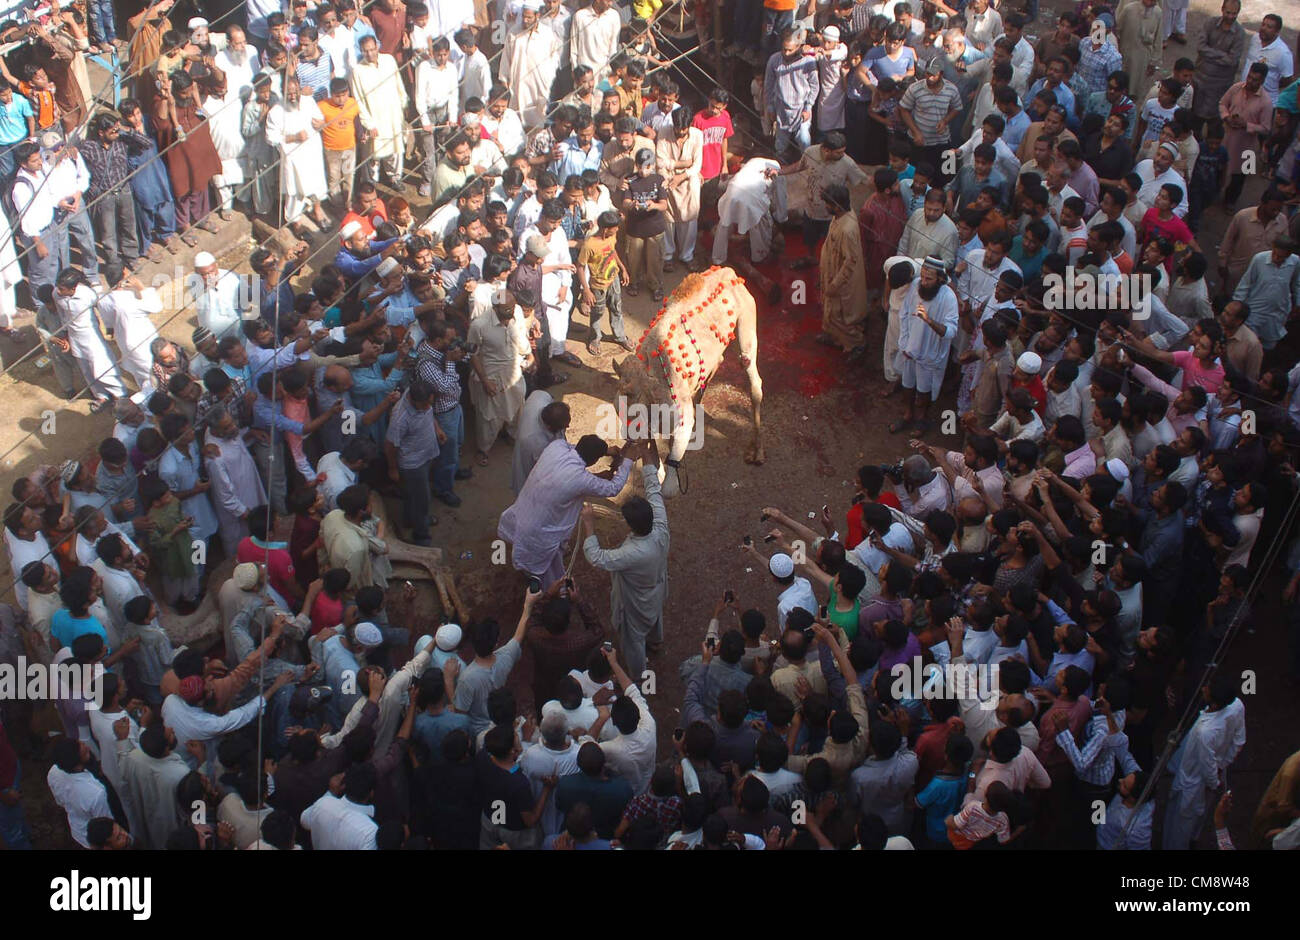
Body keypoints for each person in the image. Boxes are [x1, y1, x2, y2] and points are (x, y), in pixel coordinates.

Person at [580, 441, 669, 680]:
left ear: (631, 526)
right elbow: (654, 490)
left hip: (636, 601)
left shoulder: (632, 553)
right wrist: (647, 457)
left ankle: (638, 675)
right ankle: (656, 641)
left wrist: (589, 525)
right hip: (656, 587)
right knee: (655, 616)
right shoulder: (659, 524)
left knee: (633, 638)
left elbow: (597, 557)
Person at [499, 435, 632, 588]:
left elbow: (568, 473)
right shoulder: (581, 479)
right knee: (543, 572)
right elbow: (613, 488)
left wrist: (605, 452)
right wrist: (628, 461)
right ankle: (539, 589)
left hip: (524, 512)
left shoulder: (556, 447)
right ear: (593, 461)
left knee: (529, 553)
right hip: (539, 530)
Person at [384, 381, 443, 547]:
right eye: (424, 405)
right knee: (421, 500)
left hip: (427, 455)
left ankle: (410, 520)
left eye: (430, 403)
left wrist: (437, 429)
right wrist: (392, 469)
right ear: (413, 400)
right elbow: (389, 445)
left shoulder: (418, 393)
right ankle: (421, 535)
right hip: (413, 465)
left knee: (412, 495)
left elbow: (429, 414)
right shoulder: (400, 418)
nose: (428, 407)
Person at [817, 184, 868, 360]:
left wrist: (835, 284)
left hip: (841, 281)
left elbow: (850, 261)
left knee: (838, 316)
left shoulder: (847, 229)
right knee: (828, 309)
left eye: (828, 204)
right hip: (831, 272)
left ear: (837, 206)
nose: (826, 207)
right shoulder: (840, 216)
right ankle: (835, 337)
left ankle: (856, 343)